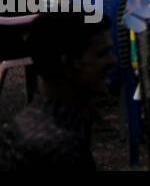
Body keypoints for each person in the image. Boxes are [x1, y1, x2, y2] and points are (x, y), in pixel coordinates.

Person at [0, 9, 115, 170]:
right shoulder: (60, 148)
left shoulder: (26, 124)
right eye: (101, 54)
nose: (112, 61)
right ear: (69, 63)